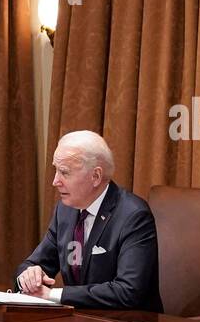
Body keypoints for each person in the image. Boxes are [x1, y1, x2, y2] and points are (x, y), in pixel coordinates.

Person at [14, 130, 162, 311]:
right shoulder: (65, 210)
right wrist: (29, 276)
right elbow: (34, 263)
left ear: (95, 176)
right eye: (56, 170)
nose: (55, 181)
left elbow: (128, 291)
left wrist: (53, 295)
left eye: (64, 172)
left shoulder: (133, 216)